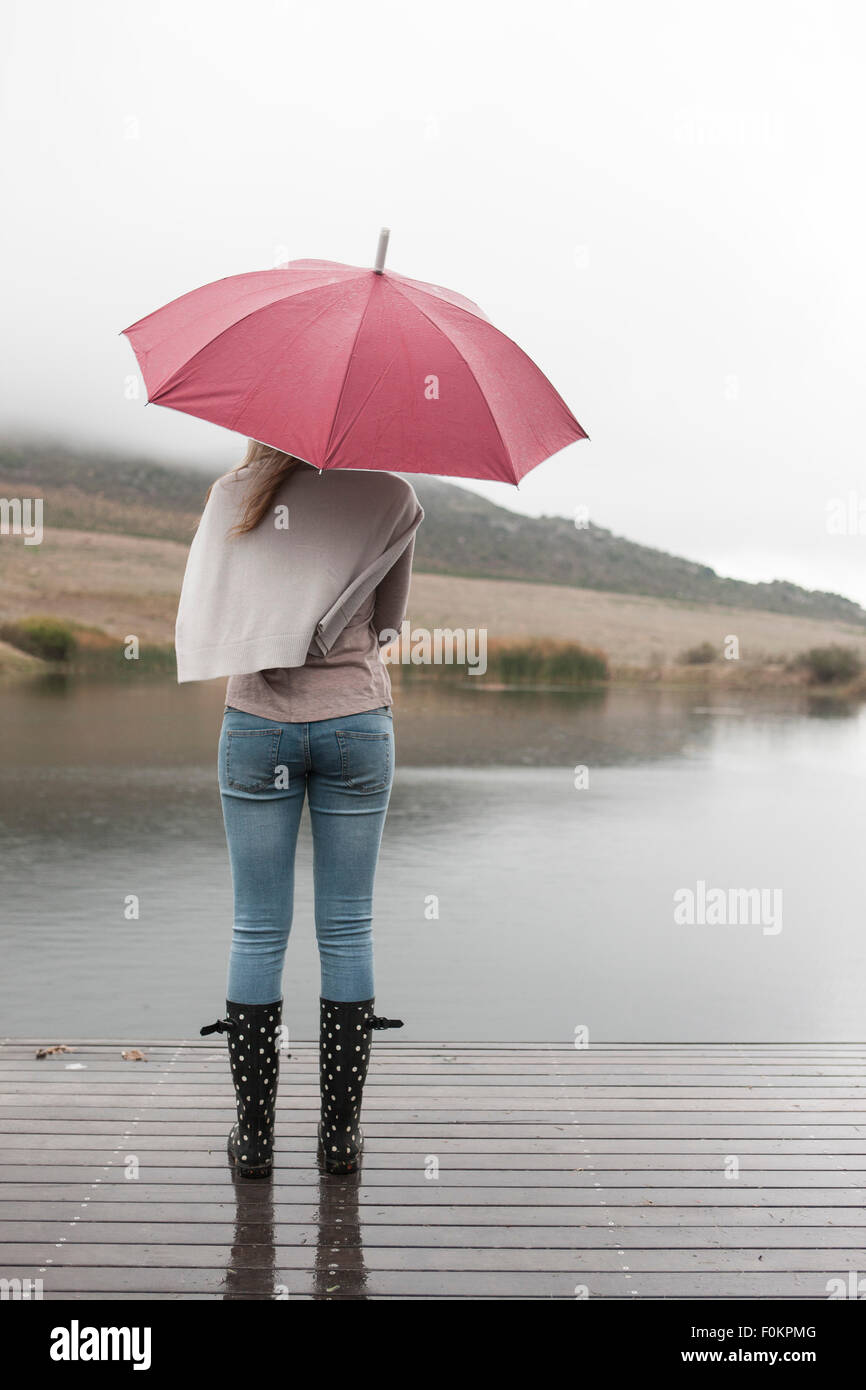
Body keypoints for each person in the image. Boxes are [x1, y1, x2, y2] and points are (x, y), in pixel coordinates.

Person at [180, 440, 424, 1177]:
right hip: (355, 721)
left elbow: (216, 609)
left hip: (257, 724)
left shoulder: (234, 492)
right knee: (347, 928)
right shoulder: (391, 494)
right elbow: (387, 623)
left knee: (257, 929)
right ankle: (339, 1141)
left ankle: (254, 1142)